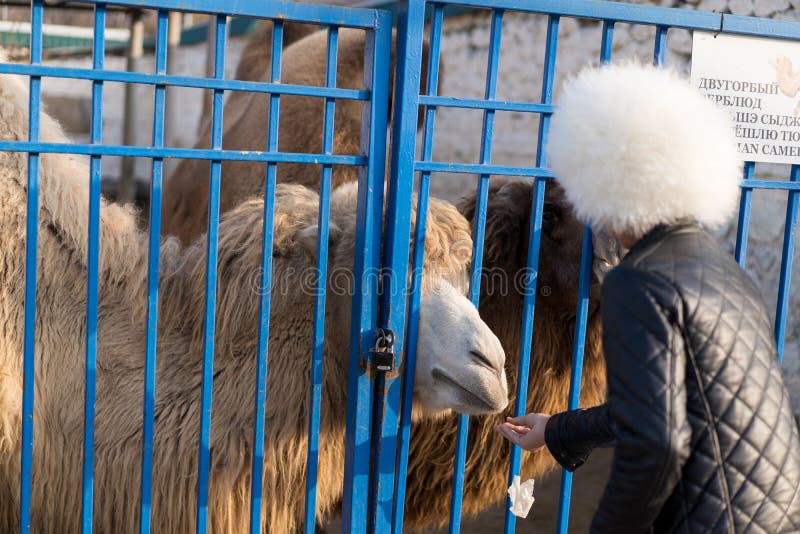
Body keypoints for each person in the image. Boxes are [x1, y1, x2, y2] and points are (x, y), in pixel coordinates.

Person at [496, 63, 800, 532]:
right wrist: (557, 429)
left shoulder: (638, 281)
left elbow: (656, 442)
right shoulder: (721, 270)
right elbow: (663, 404)